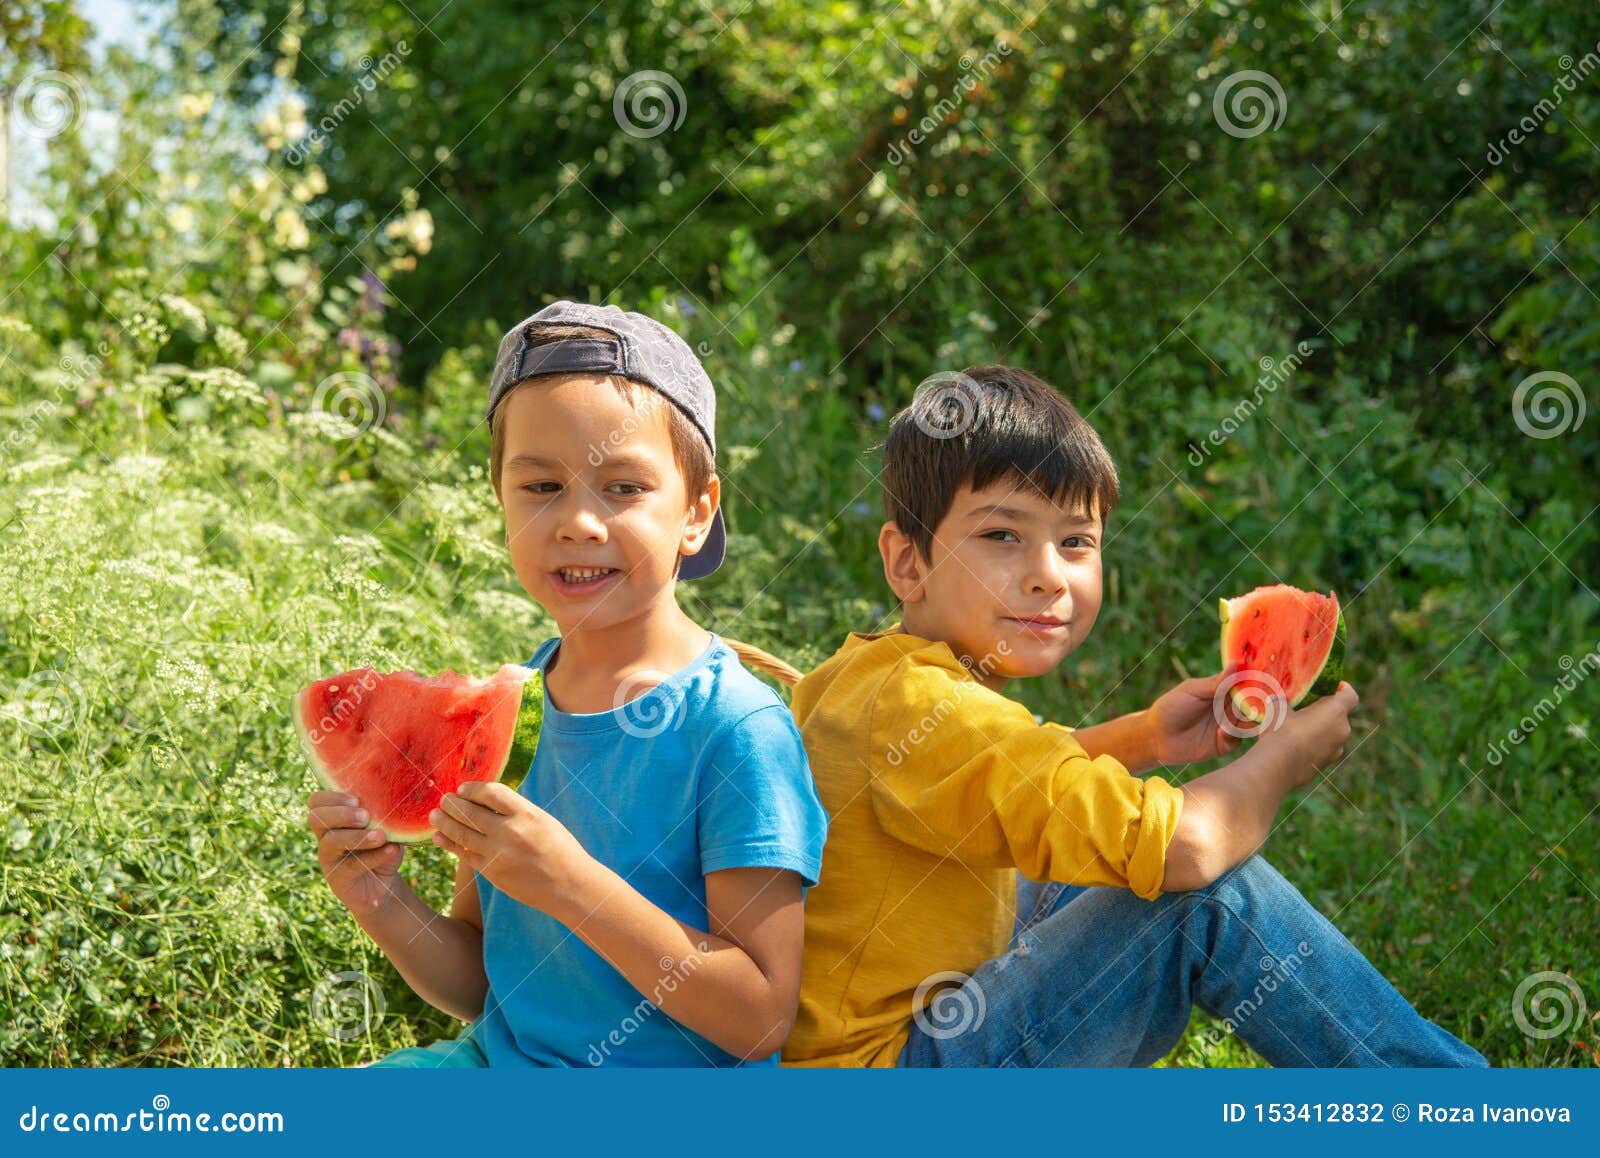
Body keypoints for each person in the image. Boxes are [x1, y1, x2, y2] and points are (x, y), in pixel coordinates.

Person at [780, 364, 1486, 1068]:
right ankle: (1449, 1107)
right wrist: (1279, 764)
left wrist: (1145, 738)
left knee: (1072, 865)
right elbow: (1187, 852)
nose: (1048, 574)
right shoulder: (929, 705)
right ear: (907, 563)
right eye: (1002, 535)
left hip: (875, 1038)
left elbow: (994, 790)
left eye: (1076, 541)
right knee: (1203, 895)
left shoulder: (865, 679)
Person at [306, 302, 828, 1066]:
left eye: (623, 488)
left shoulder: (737, 727)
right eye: (542, 487)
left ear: (698, 512)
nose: (578, 521)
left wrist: (572, 885)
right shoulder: (511, 711)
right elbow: (484, 986)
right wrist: (382, 902)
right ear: (499, 502)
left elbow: (759, 1019)